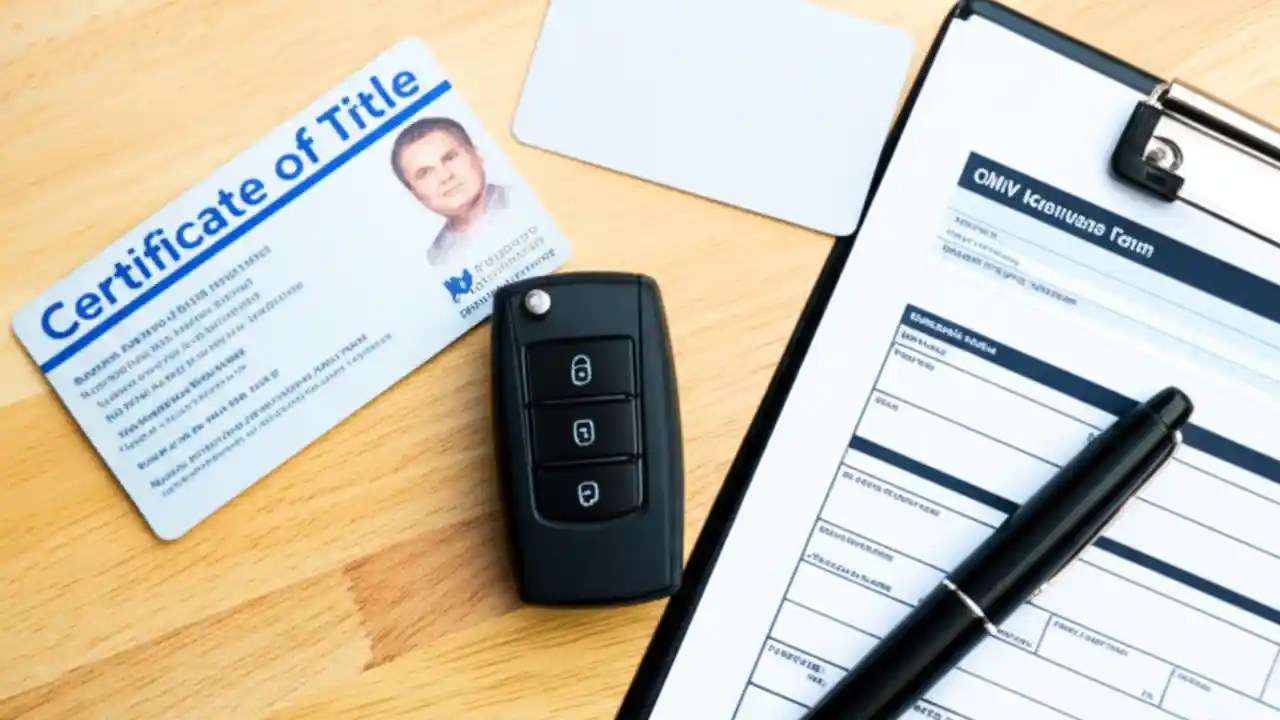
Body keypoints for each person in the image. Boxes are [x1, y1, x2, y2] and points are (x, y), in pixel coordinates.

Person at [390, 117, 516, 266]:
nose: (445, 176)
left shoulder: (526, 201)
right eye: (425, 173)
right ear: (414, 193)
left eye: (450, 158)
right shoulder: (437, 258)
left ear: (477, 154)